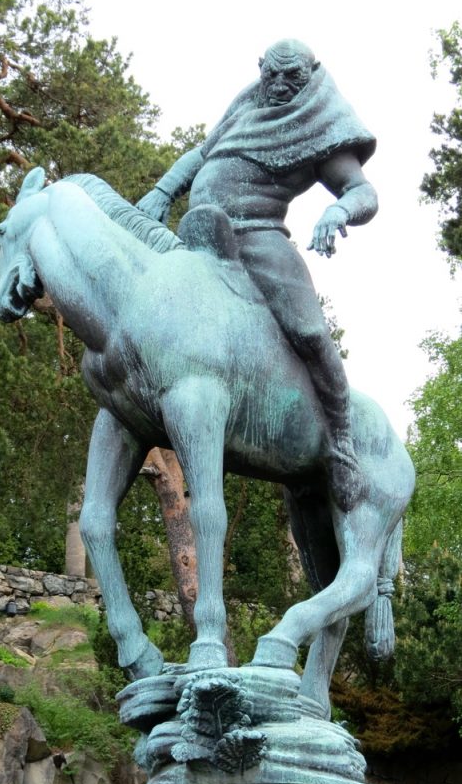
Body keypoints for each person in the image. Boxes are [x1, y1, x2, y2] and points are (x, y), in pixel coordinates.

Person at [137, 39, 378, 511]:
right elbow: (202, 153)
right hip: (199, 236)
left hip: (258, 237)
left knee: (309, 331)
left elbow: (362, 190)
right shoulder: (247, 104)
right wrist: (163, 190)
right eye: (274, 76)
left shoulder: (319, 121)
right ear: (260, 69)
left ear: (313, 74)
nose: (283, 87)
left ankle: (342, 443)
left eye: (295, 78)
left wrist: (340, 210)